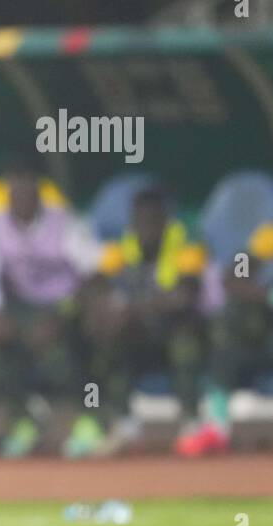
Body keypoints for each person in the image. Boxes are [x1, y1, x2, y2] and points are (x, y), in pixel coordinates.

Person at [0, 159, 99, 457]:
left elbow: (93, 275)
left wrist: (62, 315)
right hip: (19, 309)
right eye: (16, 190)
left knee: (59, 353)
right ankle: (22, 419)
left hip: (62, 308)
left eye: (28, 189)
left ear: (39, 192)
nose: (22, 196)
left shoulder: (65, 222)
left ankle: (85, 421)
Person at [78, 187, 206, 456]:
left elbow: (183, 298)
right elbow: (92, 288)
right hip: (138, 337)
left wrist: (131, 308)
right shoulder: (120, 249)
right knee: (103, 336)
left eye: (152, 221)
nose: (145, 229)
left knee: (186, 341)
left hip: (175, 335)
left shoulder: (187, 247)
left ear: (165, 221)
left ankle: (192, 424)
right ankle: (122, 424)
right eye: (139, 222)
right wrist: (103, 310)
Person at [177, 218, 273, 456]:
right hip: (268, 337)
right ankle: (217, 428)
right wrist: (255, 256)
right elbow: (232, 281)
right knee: (228, 326)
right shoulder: (270, 243)